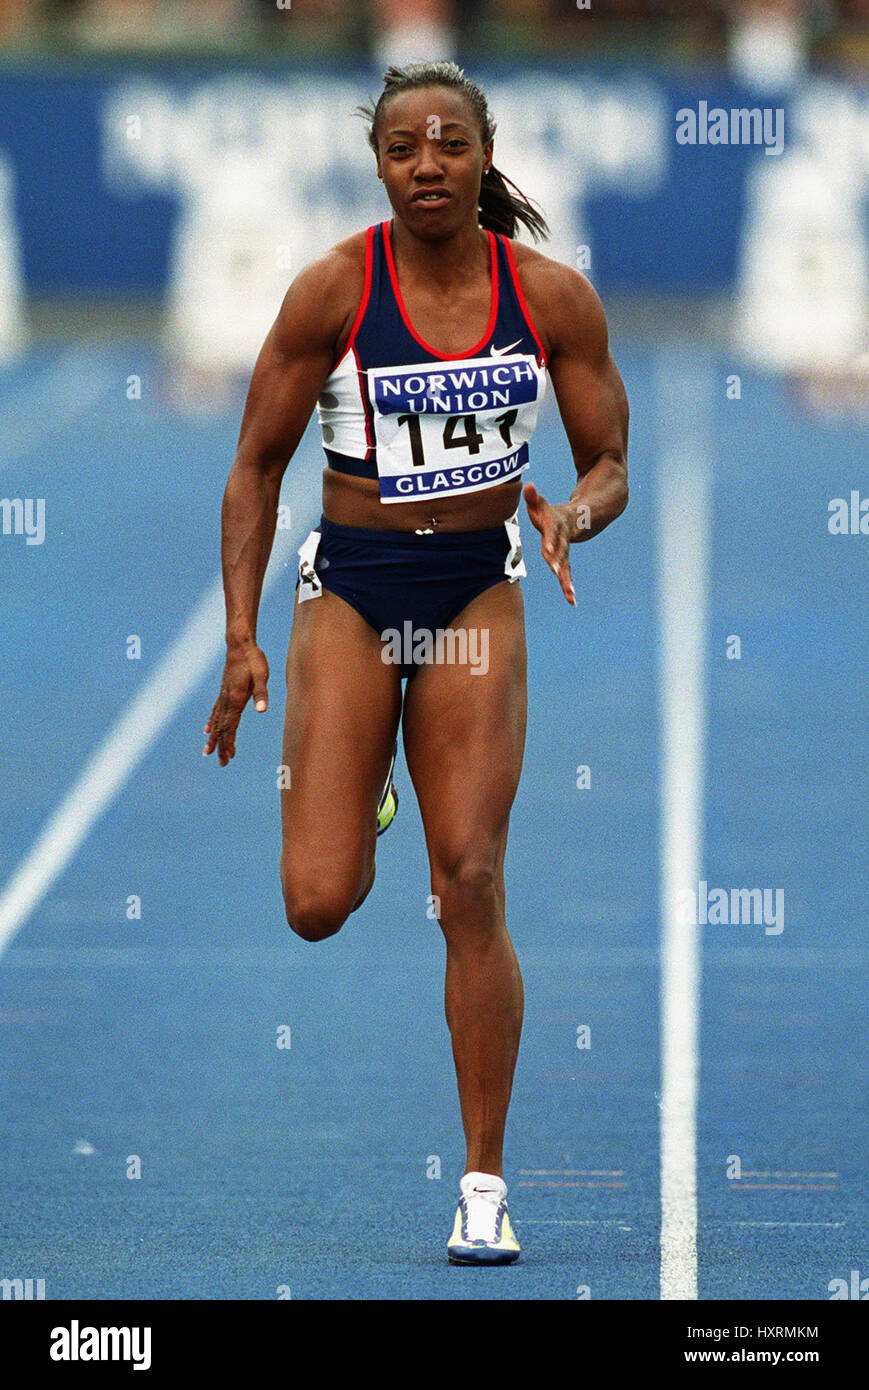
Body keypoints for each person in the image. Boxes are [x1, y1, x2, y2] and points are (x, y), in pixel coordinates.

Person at [204, 60, 628, 1266]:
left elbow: (608, 460)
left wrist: (571, 517)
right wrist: (240, 639)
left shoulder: (547, 299)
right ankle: (366, 787)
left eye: (448, 145)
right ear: (379, 164)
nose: (427, 165)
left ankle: (483, 1183)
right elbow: (253, 468)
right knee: (317, 904)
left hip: (474, 595)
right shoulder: (333, 290)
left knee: (471, 878)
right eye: (403, 148)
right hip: (351, 590)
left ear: (482, 155)